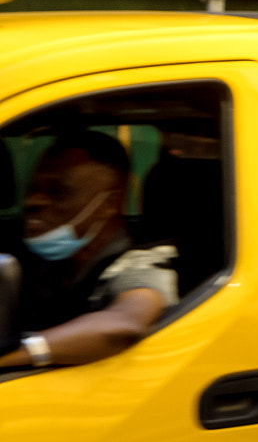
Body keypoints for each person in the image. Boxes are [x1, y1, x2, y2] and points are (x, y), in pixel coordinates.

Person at [1, 131, 176, 370]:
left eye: (58, 192)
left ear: (109, 205)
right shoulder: (44, 260)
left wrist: (16, 353)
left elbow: (126, 322)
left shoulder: (142, 261)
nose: (33, 201)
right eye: (33, 188)